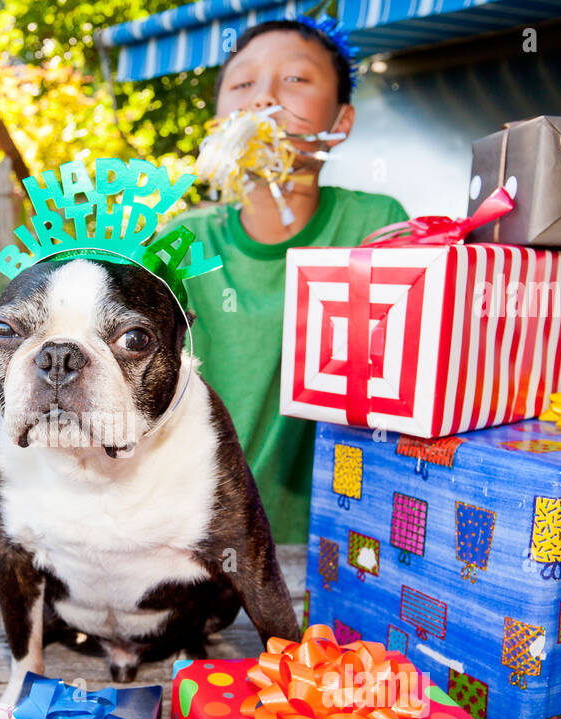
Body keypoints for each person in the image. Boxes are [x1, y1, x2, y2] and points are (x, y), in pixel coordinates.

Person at [169, 17, 409, 545]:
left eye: (295, 80)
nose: (264, 101)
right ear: (217, 119)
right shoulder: (181, 244)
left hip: (338, 538)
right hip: (196, 538)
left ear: (342, 120)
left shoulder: (377, 225)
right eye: (242, 84)